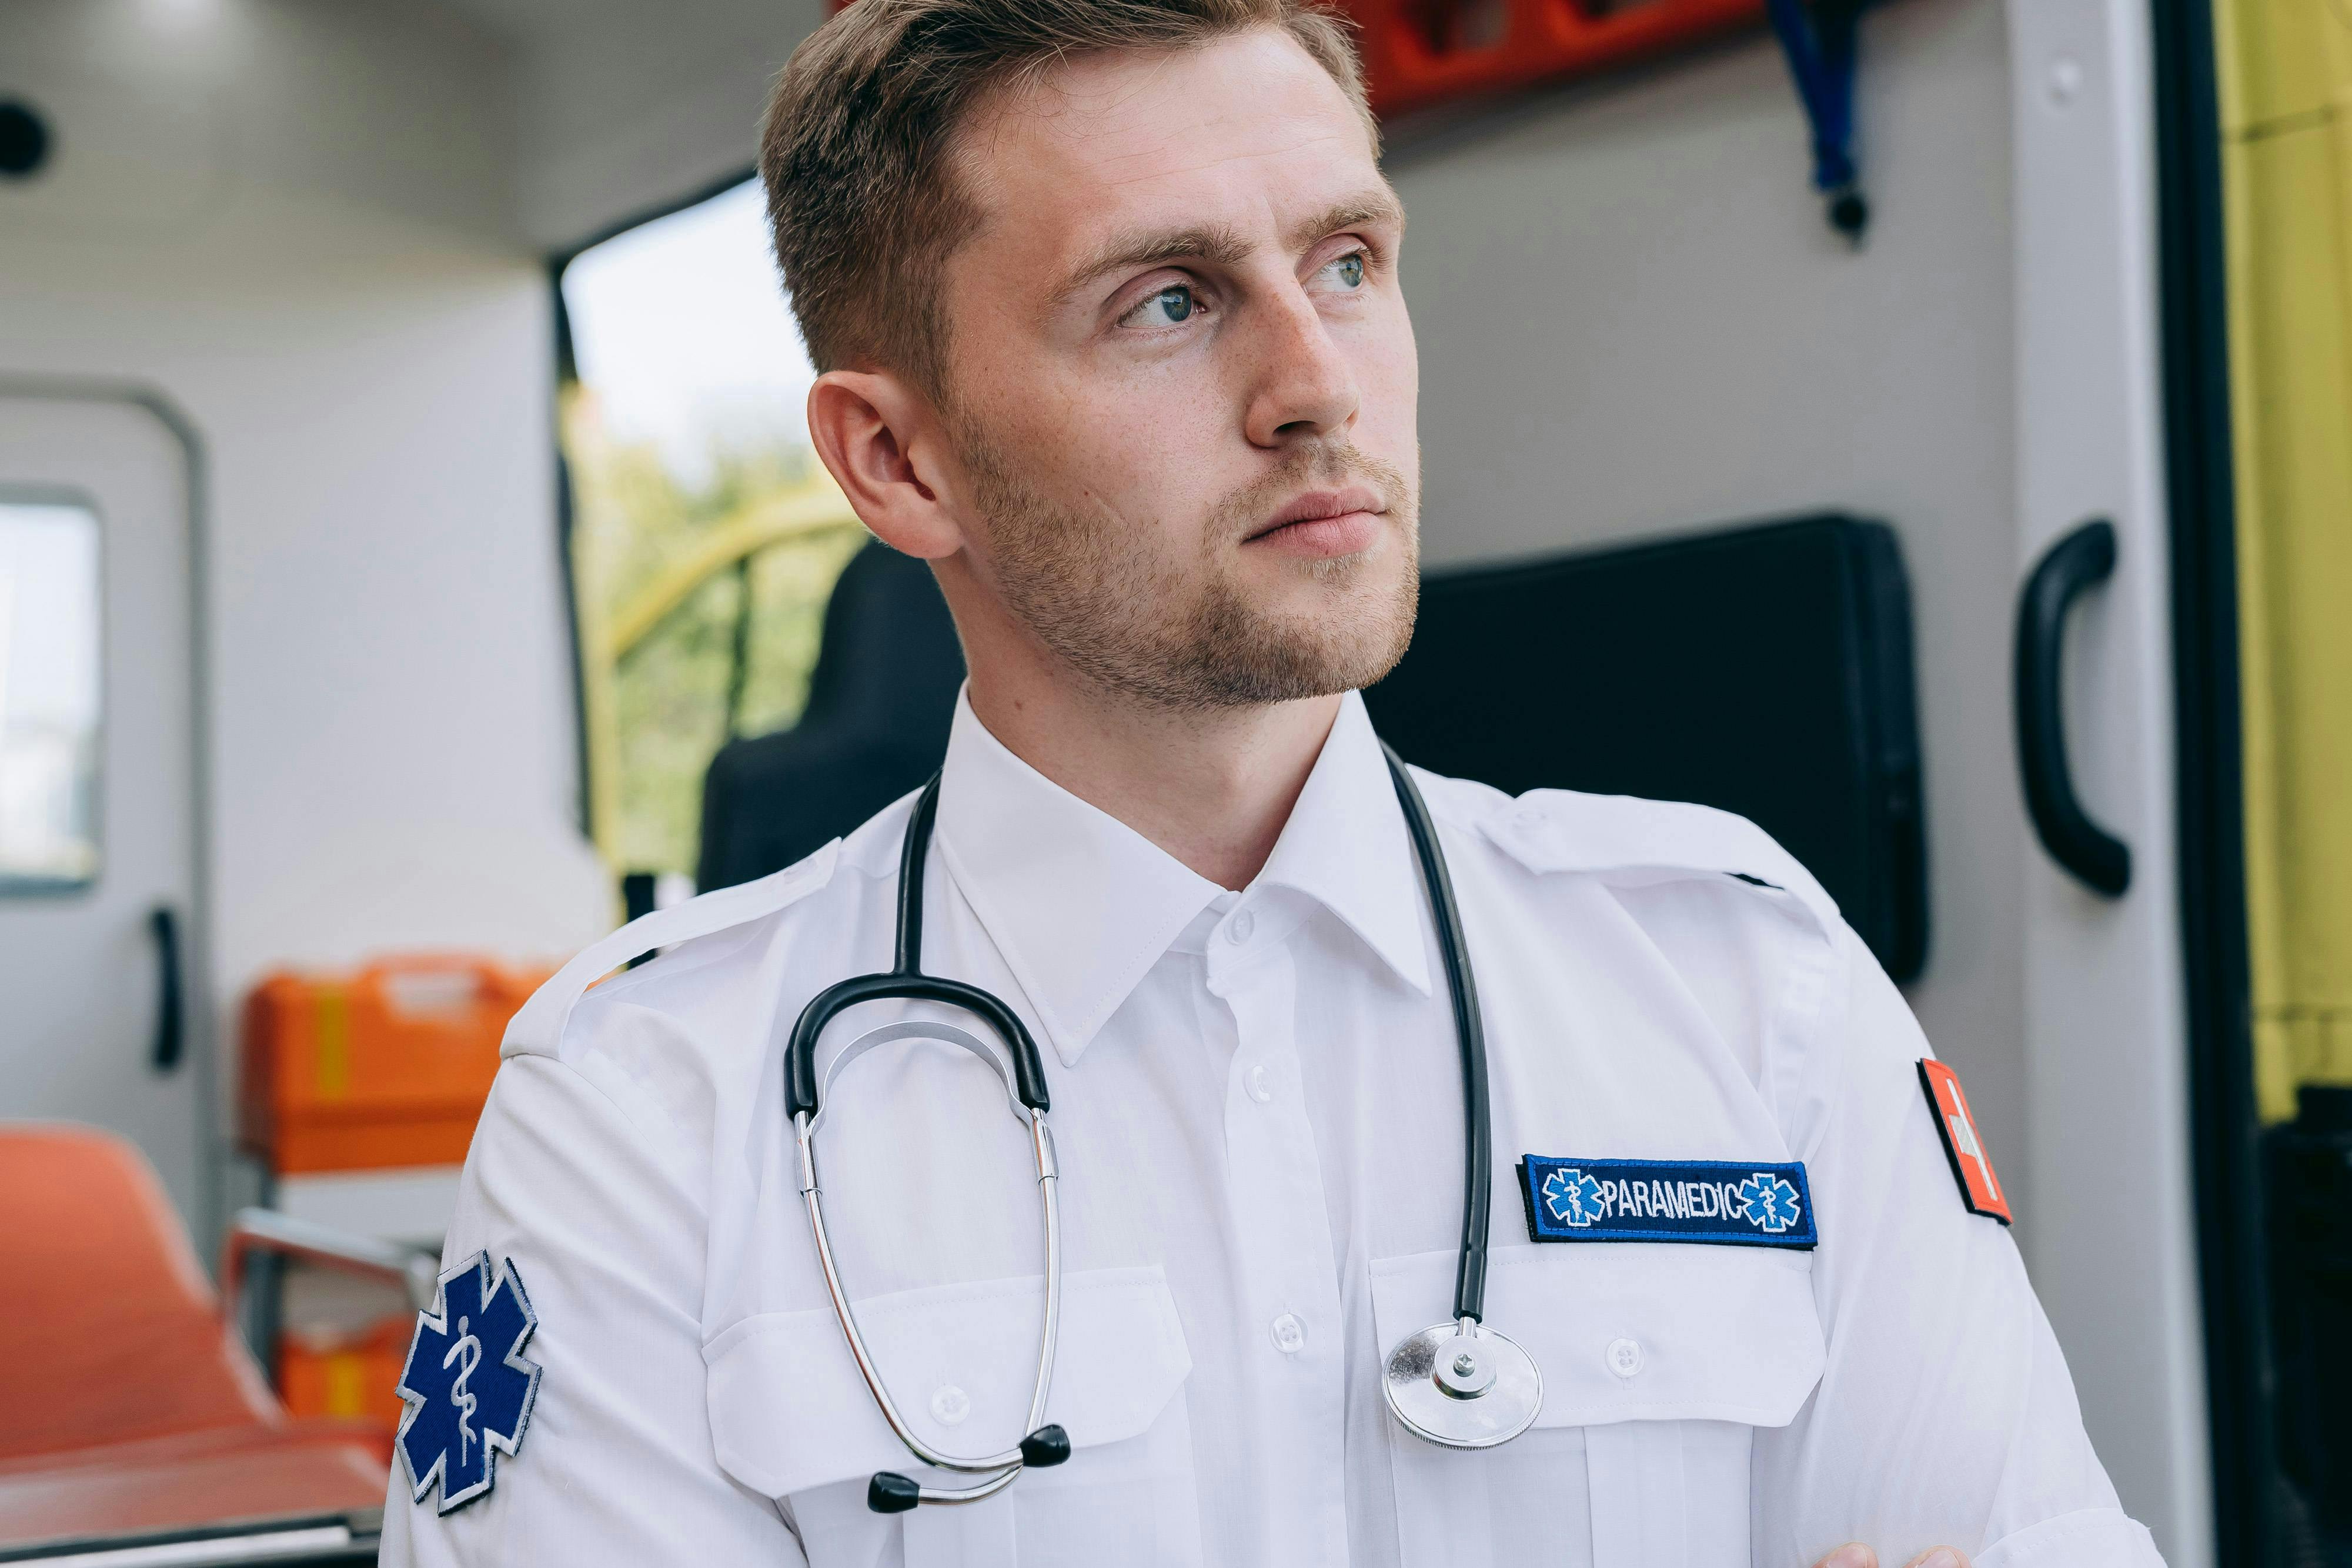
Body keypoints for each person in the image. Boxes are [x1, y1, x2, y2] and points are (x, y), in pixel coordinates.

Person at [382, 1, 2166, 1563]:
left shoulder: (1742, 978)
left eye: (1348, 264)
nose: (1318, 386)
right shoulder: (644, 1110)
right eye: (1166, 302)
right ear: (897, 459)